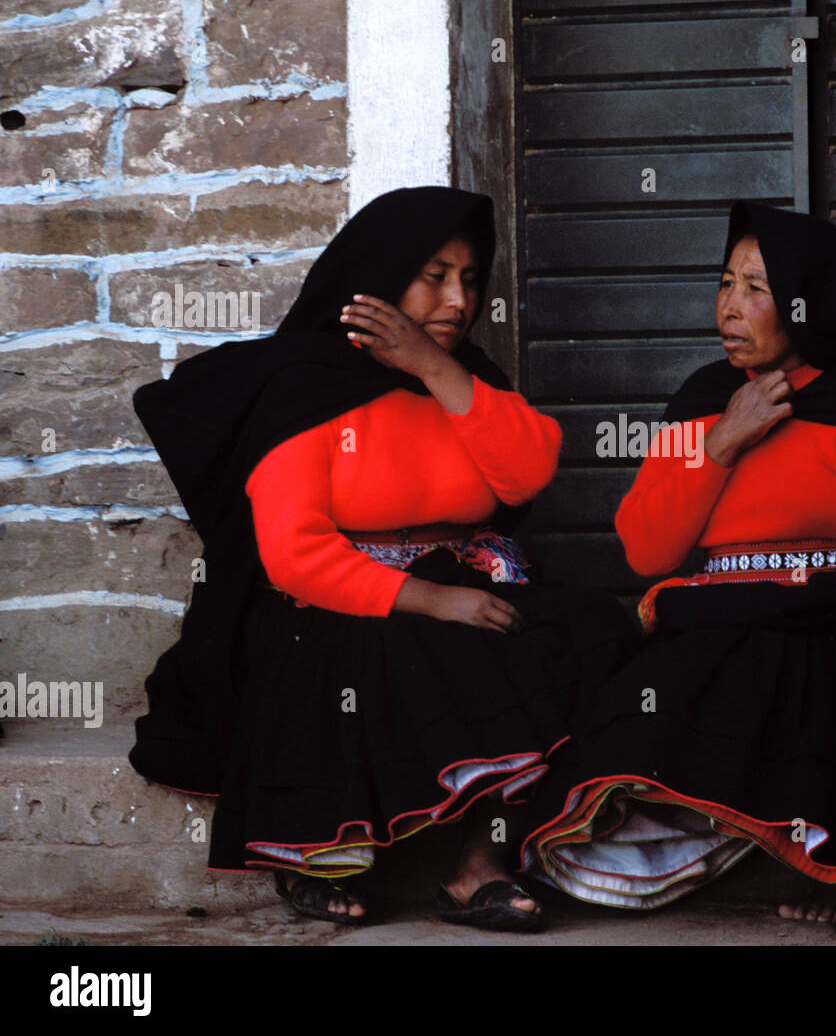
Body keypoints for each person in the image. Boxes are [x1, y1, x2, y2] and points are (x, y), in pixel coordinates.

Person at [130, 187, 632, 932]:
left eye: (469, 278)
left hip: (461, 584)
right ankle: (317, 853)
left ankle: (478, 864)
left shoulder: (467, 379)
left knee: (585, 629)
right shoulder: (304, 388)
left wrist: (434, 366)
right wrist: (431, 598)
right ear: (383, 275)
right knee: (407, 652)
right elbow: (296, 555)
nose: (458, 298)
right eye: (435, 274)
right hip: (334, 603)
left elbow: (527, 471)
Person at [521, 201, 836, 922]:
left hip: (835, 627)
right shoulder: (704, 403)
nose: (730, 308)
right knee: (638, 725)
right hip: (719, 624)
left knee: (798, 687)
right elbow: (648, 551)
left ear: (808, 305)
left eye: (756, 289)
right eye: (725, 282)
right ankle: (657, 850)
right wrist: (721, 445)